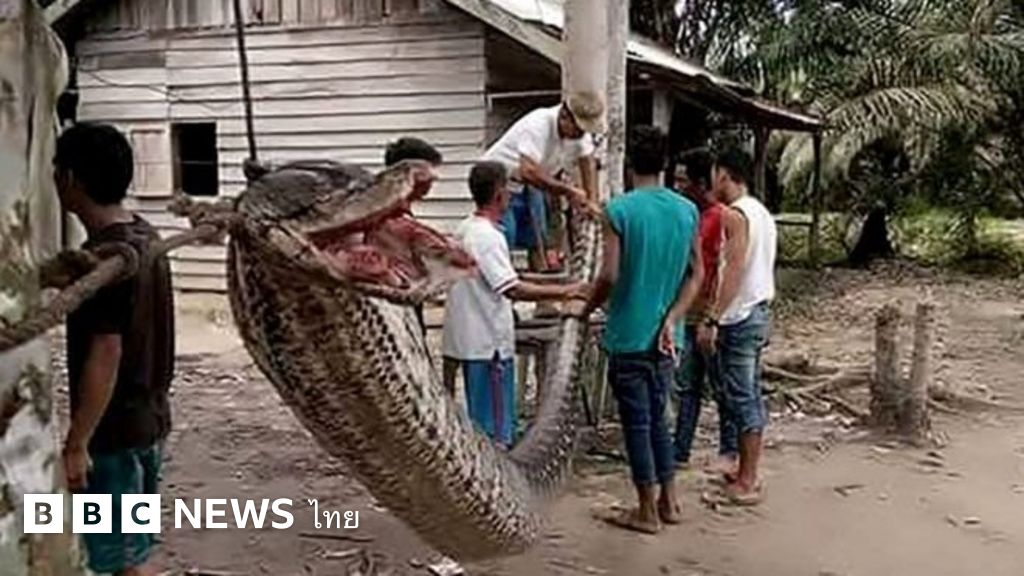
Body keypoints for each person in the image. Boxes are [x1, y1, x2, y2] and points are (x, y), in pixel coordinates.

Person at [55, 123, 174, 576]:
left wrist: (76, 443)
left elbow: (107, 351)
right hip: (151, 421)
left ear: (70, 179)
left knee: (116, 559)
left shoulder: (106, 260)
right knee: (132, 550)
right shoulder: (146, 236)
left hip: (115, 435)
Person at [580, 126, 704, 534]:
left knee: (637, 422)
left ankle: (646, 510)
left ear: (632, 164)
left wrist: (586, 307)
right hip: (668, 337)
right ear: (666, 165)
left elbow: (610, 275)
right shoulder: (687, 211)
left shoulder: (619, 210)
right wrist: (673, 317)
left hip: (629, 334)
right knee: (658, 420)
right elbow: (696, 275)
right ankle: (670, 501)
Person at [442, 161, 588, 447]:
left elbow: (507, 278)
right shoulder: (487, 237)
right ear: (499, 195)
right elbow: (513, 289)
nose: (511, 197)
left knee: (482, 421)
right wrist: (566, 291)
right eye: (508, 191)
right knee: (495, 432)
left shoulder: (465, 228)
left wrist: (555, 286)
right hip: (488, 344)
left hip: (470, 339)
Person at [699, 147, 777, 505]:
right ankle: (743, 468)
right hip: (757, 309)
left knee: (743, 396)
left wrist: (713, 317)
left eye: (714, 173)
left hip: (740, 315)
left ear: (725, 175)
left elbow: (734, 269)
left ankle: (748, 478)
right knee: (743, 392)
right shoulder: (762, 213)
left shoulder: (735, 215)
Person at [481, 92, 603, 272]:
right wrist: (569, 191)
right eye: (578, 129)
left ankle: (542, 291)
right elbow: (528, 171)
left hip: (530, 183)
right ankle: (502, 287)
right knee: (505, 236)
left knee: (539, 239)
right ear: (564, 117)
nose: (580, 134)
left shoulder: (579, 134)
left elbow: (587, 161)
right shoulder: (538, 124)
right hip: (499, 182)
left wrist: (592, 200)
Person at [671, 149, 739, 472]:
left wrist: (712, 315)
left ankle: (729, 449)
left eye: (684, 181)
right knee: (688, 387)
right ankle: (680, 449)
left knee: (720, 385)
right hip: (687, 310)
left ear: (700, 183)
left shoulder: (720, 217)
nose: (678, 186)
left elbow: (723, 270)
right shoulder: (688, 214)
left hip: (709, 313)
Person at [378, 137, 445, 339]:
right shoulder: (383, 214)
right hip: (392, 313)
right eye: (429, 172)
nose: (434, 179)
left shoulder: (399, 210)